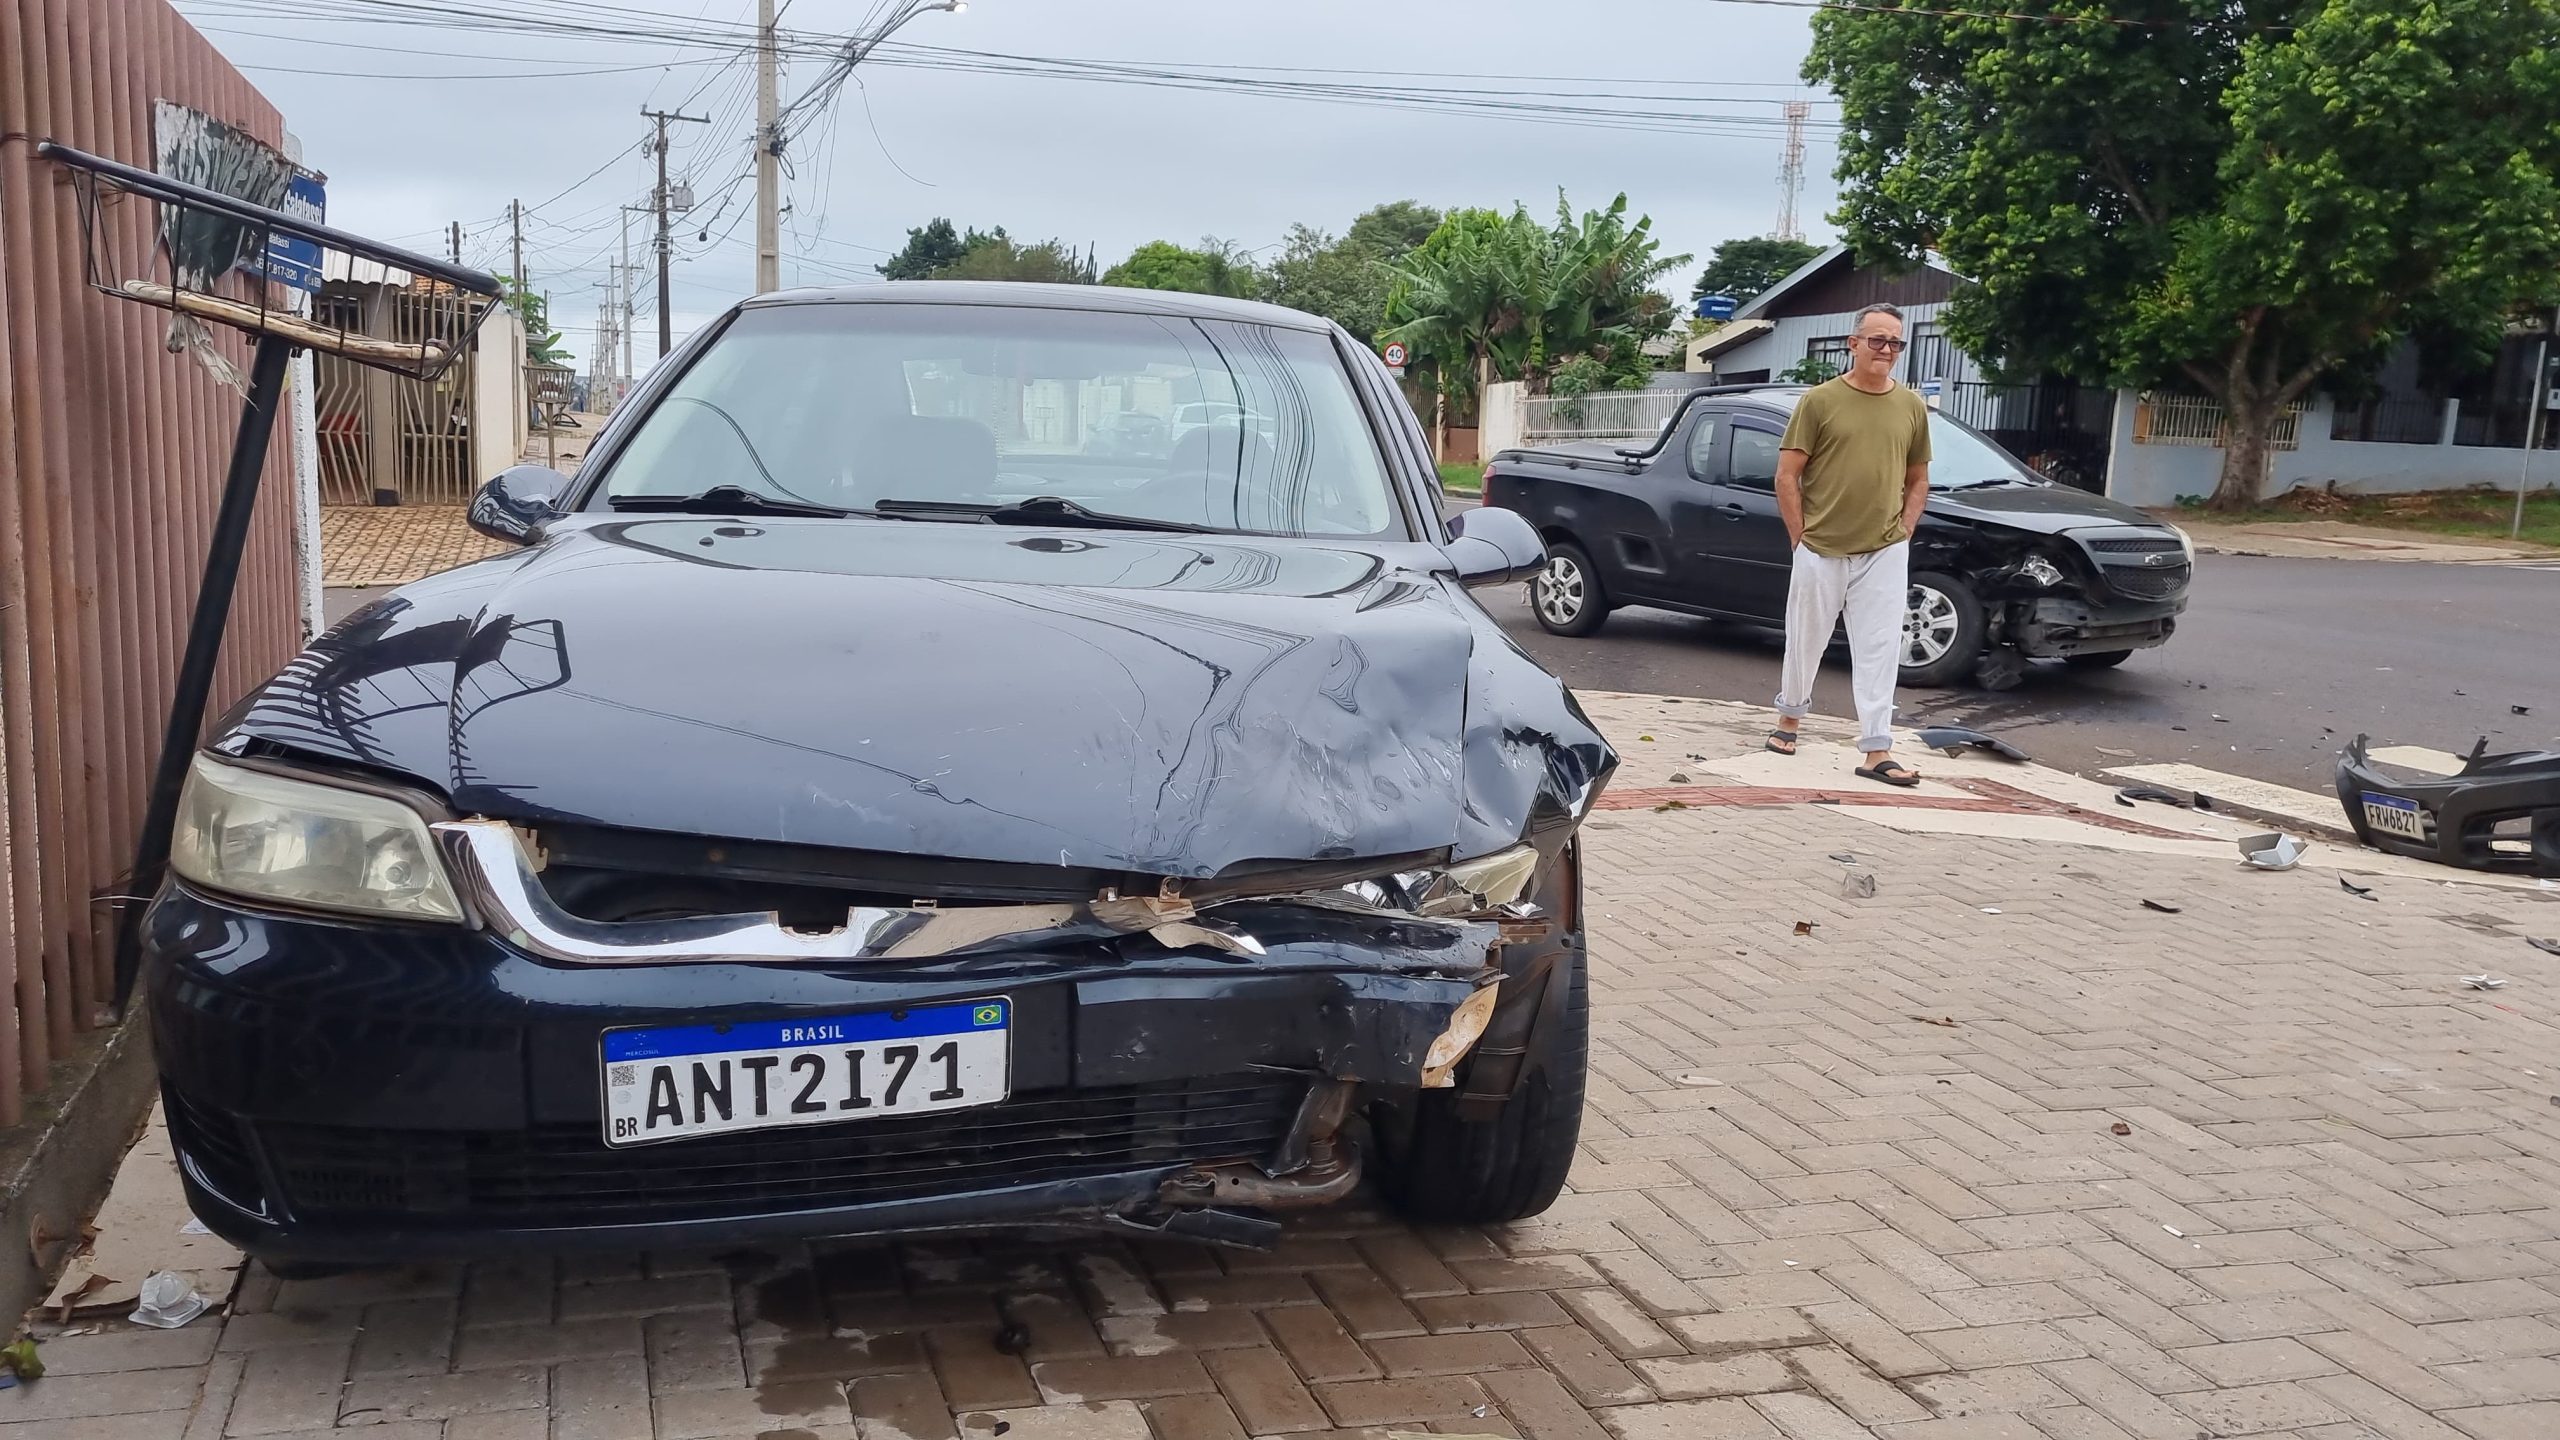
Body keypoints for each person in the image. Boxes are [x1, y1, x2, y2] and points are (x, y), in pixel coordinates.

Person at [1766, 302, 1932, 786]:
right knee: (1806, 639)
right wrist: (1800, 538)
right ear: (1853, 343)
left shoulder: (1911, 406)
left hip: (1884, 549)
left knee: (1880, 648)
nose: (1887, 350)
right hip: (1820, 546)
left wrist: (1905, 528)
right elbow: (1787, 475)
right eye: (1877, 340)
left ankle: (1878, 749)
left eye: (1896, 342)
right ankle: (1789, 718)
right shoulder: (1819, 401)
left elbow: (1919, 478)